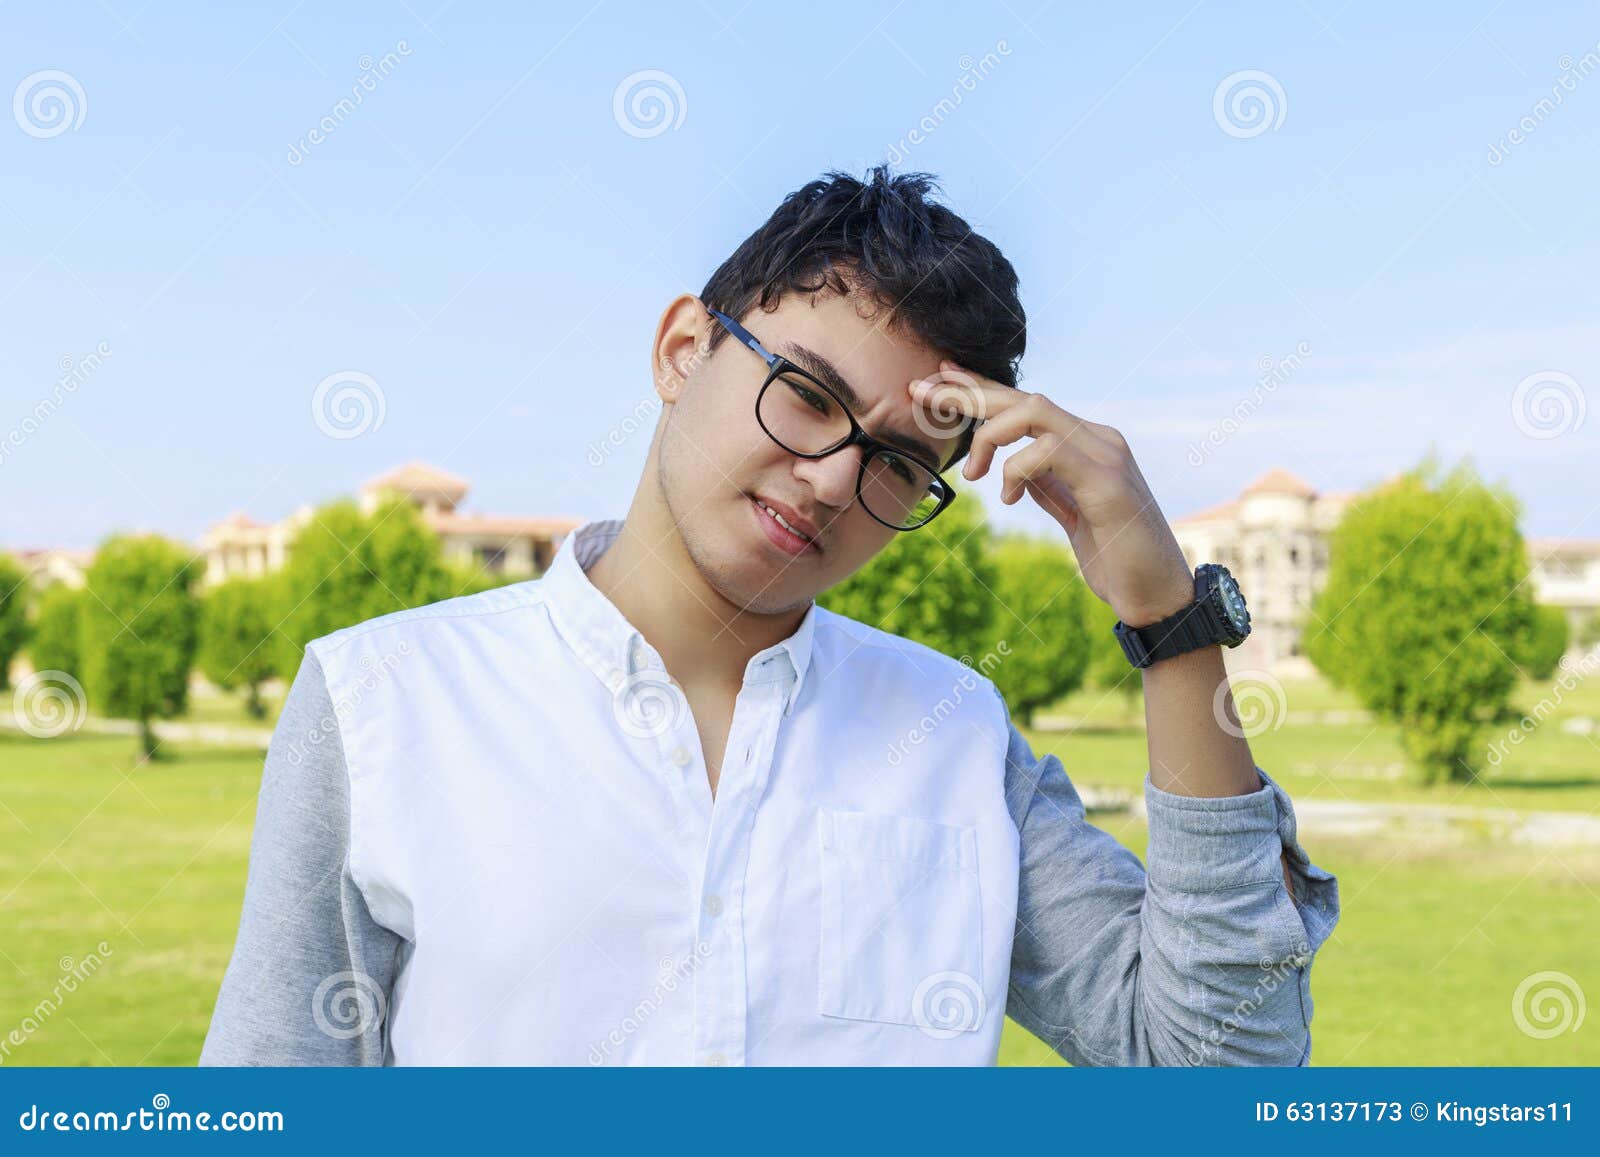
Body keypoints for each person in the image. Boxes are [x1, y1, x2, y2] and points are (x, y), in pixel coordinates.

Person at [200, 165, 1339, 1067]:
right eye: (808, 395)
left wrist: (1168, 620)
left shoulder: (952, 734)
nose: (836, 481)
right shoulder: (383, 704)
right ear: (682, 350)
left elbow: (1221, 1069)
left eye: (898, 461)